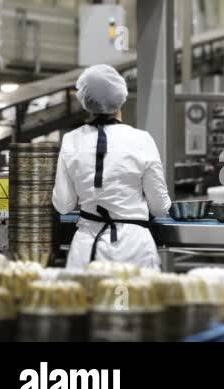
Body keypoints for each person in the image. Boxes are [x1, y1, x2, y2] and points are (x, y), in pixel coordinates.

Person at [52, 64, 171, 269]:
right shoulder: (141, 139)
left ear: (85, 101)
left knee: (86, 300)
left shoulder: (71, 140)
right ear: (120, 99)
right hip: (134, 250)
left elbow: (63, 205)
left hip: (87, 250)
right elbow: (159, 207)